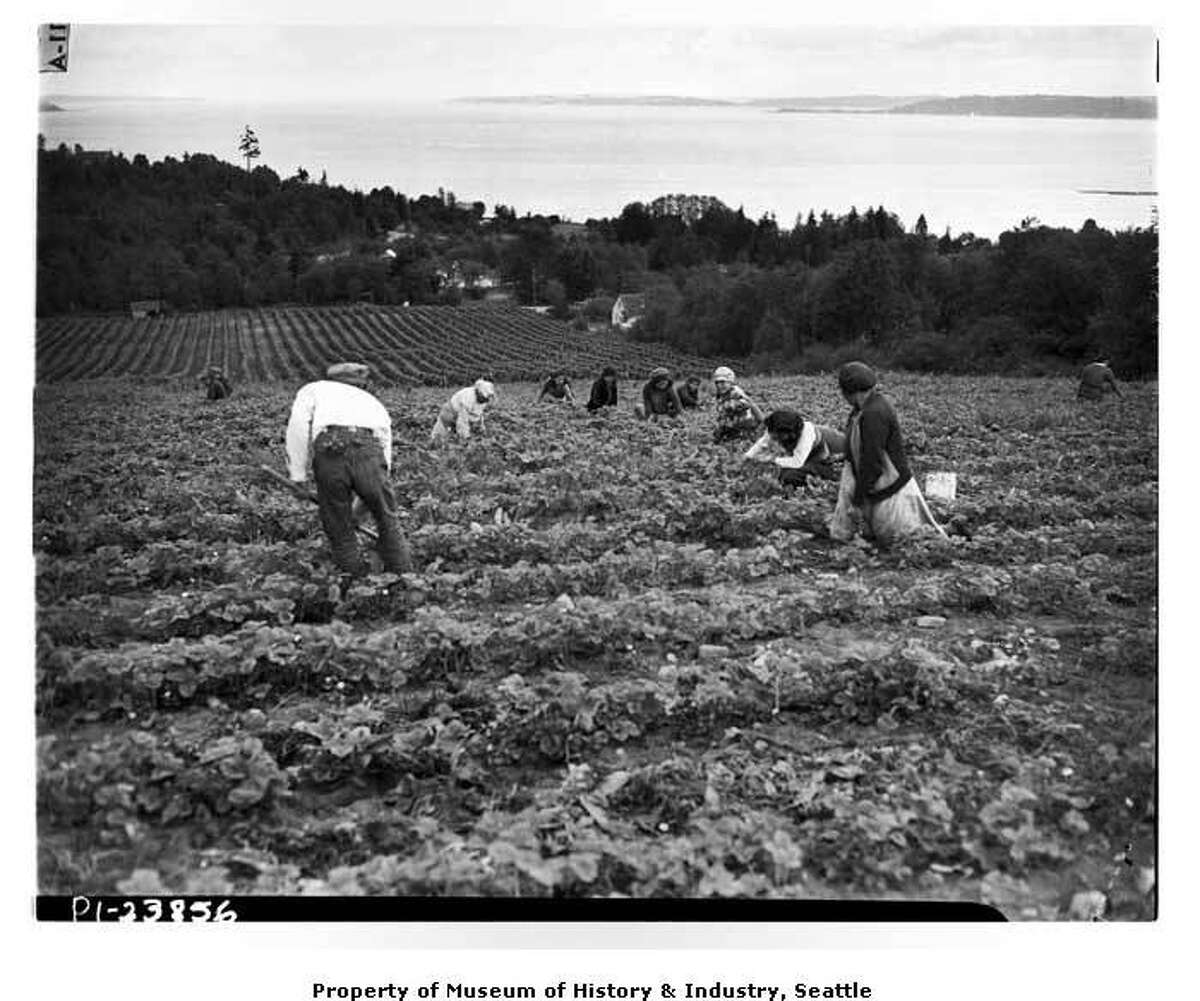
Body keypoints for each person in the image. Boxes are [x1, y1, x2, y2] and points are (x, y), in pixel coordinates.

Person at [285, 362, 413, 576]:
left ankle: (356, 585)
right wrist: (367, 499)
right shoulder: (373, 402)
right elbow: (385, 456)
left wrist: (297, 476)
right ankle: (405, 581)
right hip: (370, 452)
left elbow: (297, 427)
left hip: (330, 451)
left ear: (331, 378)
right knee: (387, 519)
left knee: (339, 527)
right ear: (361, 384)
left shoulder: (314, 389)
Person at [828, 361, 946, 547]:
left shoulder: (874, 413)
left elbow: (872, 461)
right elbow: (859, 449)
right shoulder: (861, 410)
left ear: (849, 391)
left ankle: (949, 538)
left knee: (905, 539)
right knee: (884, 537)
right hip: (875, 482)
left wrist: (858, 500)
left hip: (891, 486)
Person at [744, 409, 846, 487]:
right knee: (785, 472)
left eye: (776, 435)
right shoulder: (776, 429)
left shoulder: (806, 434)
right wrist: (748, 457)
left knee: (789, 476)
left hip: (836, 457)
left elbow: (797, 462)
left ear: (790, 433)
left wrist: (771, 460)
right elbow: (762, 443)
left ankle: (834, 475)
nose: (772, 437)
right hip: (814, 456)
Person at [431, 378, 497, 441]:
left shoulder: (483, 400)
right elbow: (462, 421)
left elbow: (479, 414)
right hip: (449, 413)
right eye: (484, 397)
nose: (486, 400)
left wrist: (482, 428)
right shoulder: (468, 398)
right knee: (440, 436)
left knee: (453, 437)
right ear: (479, 393)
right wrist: (466, 437)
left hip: (459, 416)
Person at [711, 366, 765, 442]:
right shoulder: (721, 395)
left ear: (730, 382)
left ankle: (747, 434)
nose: (720, 385)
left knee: (738, 437)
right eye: (717, 383)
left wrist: (732, 405)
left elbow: (749, 404)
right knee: (717, 434)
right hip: (731, 422)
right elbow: (722, 413)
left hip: (744, 424)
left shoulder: (736, 393)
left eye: (723, 382)